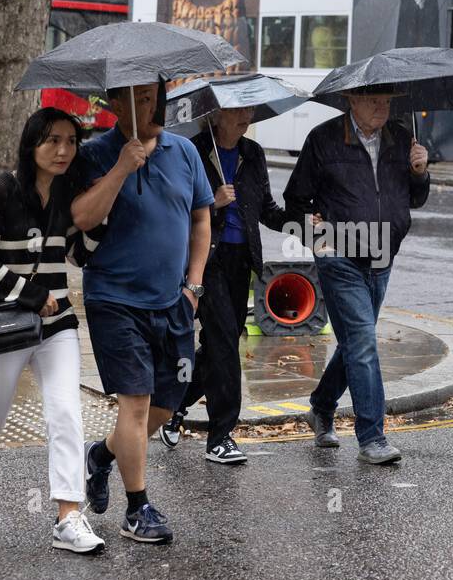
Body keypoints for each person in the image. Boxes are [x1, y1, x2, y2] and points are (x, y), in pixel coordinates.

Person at [0, 107, 106, 554]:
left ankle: (68, 517)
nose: (62, 150)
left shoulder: (69, 193)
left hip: (57, 328)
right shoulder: (2, 190)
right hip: (5, 324)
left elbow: (81, 255)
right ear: (31, 144)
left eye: (71, 141)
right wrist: (32, 295)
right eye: (52, 140)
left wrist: (100, 210)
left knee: (66, 413)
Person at [72, 82, 213, 543]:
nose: (158, 108)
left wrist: (193, 286)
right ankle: (138, 509)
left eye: (158, 97)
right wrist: (120, 169)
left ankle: (102, 455)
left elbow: (200, 218)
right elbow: (81, 218)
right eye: (146, 99)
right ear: (118, 103)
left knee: (166, 405)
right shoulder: (95, 154)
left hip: (173, 301)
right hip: (115, 300)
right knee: (134, 404)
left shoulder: (185, 151)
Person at [284, 86, 431, 465]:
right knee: (363, 342)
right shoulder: (324, 138)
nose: (382, 107)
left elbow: (414, 198)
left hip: (383, 255)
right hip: (339, 255)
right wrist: (314, 234)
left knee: (354, 342)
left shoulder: (401, 138)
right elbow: (296, 199)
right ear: (351, 101)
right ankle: (372, 437)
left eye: (386, 100)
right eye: (373, 101)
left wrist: (420, 172)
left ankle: (321, 405)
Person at [160, 105, 300, 463]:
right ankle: (221, 436)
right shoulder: (193, 150)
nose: (246, 116)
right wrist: (216, 203)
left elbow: (266, 209)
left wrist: (300, 224)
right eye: (237, 110)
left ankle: (173, 404)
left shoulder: (252, 153)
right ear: (215, 114)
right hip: (207, 259)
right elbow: (175, 210)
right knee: (224, 344)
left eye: (249, 109)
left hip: (242, 260)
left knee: (220, 342)